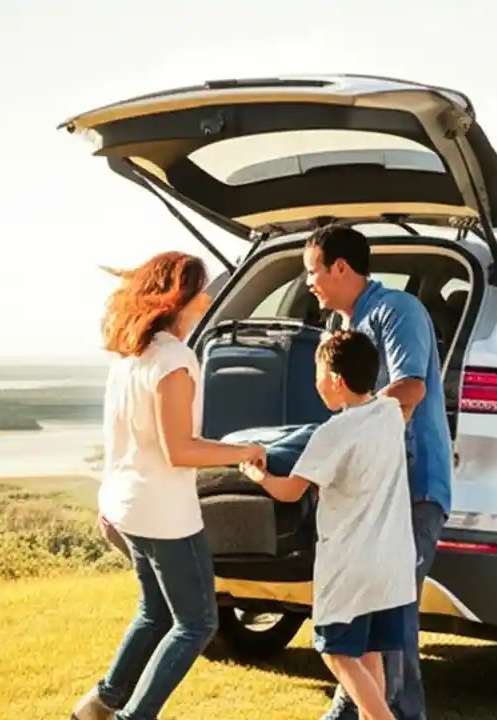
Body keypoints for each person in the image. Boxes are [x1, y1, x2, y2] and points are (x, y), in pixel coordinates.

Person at [72, 251, 267, 720]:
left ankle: (98, 705)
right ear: (180, 297)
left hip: (126, 505)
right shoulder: (173, 360)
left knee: (155, 612)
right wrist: (245, 451)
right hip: (164, 515)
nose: (209, 296)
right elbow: (179, 450)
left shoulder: (130, 356)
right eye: (202, 289)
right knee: (197, 623)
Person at [304, 225, 453, 720]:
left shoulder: (396, 311)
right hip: (373, 493)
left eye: (312, 271)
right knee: (365, 615)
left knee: (392, 621)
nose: (309, 283)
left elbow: (410, 389)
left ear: (340, 267)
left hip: (412, 486)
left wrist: (351, 431)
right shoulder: (342, 327)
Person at [239, 330, 417, 720]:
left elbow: (290, 492)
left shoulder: (333, 432)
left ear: (335, 379)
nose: (316, 382)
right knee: (368, 652)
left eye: (318, 373)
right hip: (392, 562)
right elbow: (408, 400)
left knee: (335, 651)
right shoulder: (389, 413)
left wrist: (257, 476)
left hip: (351, 563)